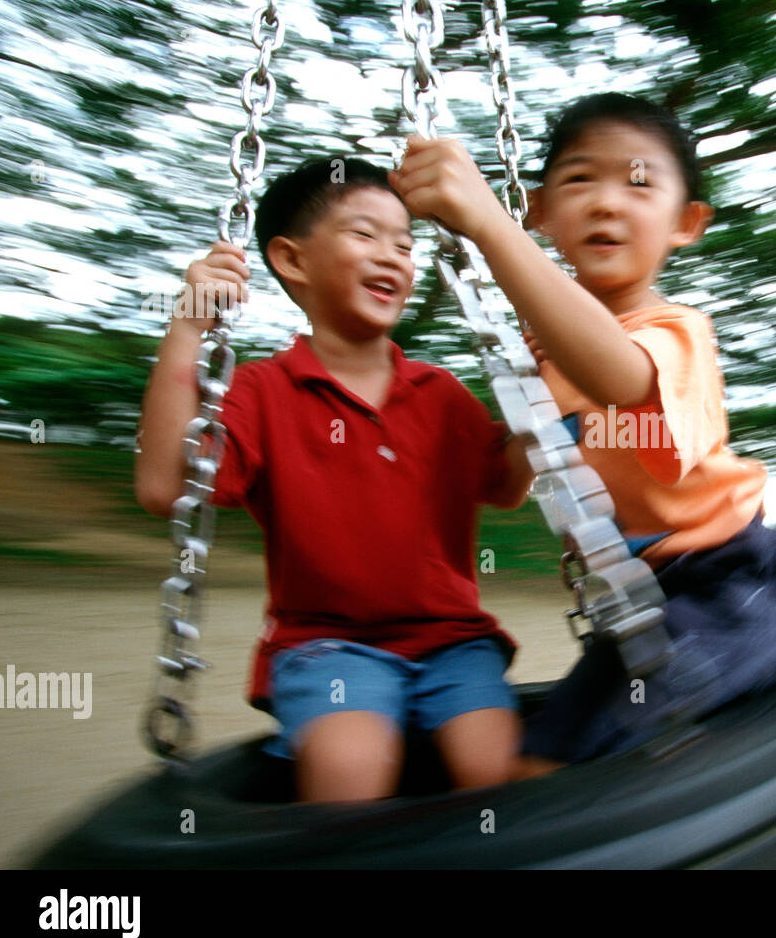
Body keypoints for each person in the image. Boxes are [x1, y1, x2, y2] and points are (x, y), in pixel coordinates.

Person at [389, 92, 776, 773]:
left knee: (556, 772)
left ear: (687, 222)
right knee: (527, 760)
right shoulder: (544, 355)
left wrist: (494, 230)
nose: (608, 201)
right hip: (637, 606)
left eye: (639, 183)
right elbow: (502, 483)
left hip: (733, 586)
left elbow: (621, 379)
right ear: (544, 212)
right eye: (581, 179)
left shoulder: (674, 332)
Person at [134, 156, 535, 801]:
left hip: (454, 645)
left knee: (492, 775)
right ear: (293, 262)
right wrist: (188, 326)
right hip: (327, 650)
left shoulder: (442, 395)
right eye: (364, 235)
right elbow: (165, 488)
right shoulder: (261, 393)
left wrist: (546, 395)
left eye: (404, 244)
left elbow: (509, 483)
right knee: (351, 777)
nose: (393, 256)